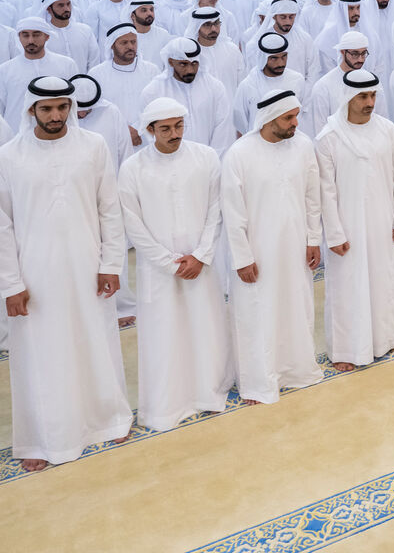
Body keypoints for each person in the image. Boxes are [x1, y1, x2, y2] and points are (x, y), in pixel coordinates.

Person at [0, 76, 131, 471]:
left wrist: (111, 264)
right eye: (46, 108)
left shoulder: (93, 146)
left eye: (62, 107)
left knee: (95, 341)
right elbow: (2, 225)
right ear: (31, 110)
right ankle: (42, 439)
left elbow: (110, 208)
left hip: (87, 266)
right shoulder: (9, 156)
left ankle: (108, 419)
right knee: (40, 353)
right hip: (34, 274)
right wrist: (11, 283)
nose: (55, 115)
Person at [116, 97, 233, 431]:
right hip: (158, 271)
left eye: (179, 126)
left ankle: (209, 392)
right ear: (150, 130)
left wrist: (201, 255)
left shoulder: (205, 157)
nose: (174, 134)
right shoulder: (133, 168)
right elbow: (133, 223)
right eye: (165, 129)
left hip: (201, 265)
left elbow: (216, 210)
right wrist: (170, 263)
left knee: (205, 326)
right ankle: (168, 404)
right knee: (164, 333)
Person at [220, 90, 324, 405]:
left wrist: (313, 239)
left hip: (295, 248)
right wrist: (242, 257)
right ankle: (259, 381)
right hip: (257, 252)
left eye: (296, 116)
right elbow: (233, 213)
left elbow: (312, 197)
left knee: (297, 306)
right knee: (257, 313)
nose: (295, 123)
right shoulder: (239, 154)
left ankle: (297, 370)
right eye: (288, 118)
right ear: (268, 119)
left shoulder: (303, 146)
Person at [315, 69, 394, 371]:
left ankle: (392, 336)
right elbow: (326, 191)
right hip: (348, 226)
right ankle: (347, 350)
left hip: (383, 221)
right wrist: (334, 233)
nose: (370, 103)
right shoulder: (329, 138)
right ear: (347, 97)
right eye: (362, 97)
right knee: (348, 286)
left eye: (373, 96)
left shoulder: (388, 131)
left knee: (386, 279)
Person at [139, 36, 235, 153]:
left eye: (194, 63)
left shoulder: (215, 87)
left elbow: (223, 127)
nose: (190, 70)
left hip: (209, 159)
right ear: (171, 62)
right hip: (169, 160)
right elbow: (149, 133)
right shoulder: (153, 91)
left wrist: (213, 158)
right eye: (183, 64)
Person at [233, 31, 304, 136]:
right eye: (274, 58)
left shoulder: (297, 80)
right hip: (257, 143)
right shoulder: (248, 85)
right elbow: (240, 126)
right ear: (263, 58)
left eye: (284, 56)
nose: (281, 63)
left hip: (290, 142)